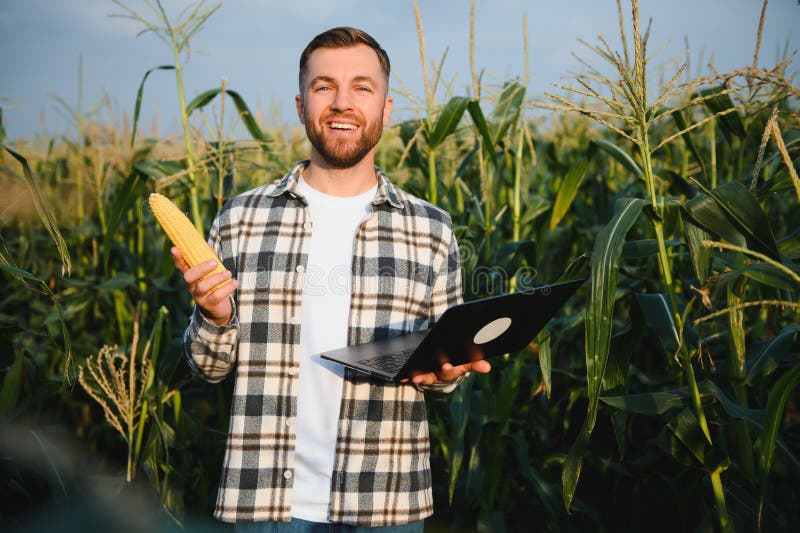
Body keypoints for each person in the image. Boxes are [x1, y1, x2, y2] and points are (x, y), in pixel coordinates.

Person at [174, 27, 491, 531]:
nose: (342, 103)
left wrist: (447, 372)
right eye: (325, 87)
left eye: (362, 88)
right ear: (301, 105)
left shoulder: (431, 229)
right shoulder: (240, 219)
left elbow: (442, 375)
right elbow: (207, 368)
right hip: (266, 507)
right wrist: (214, 316)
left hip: (387, 502)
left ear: (386, 109)